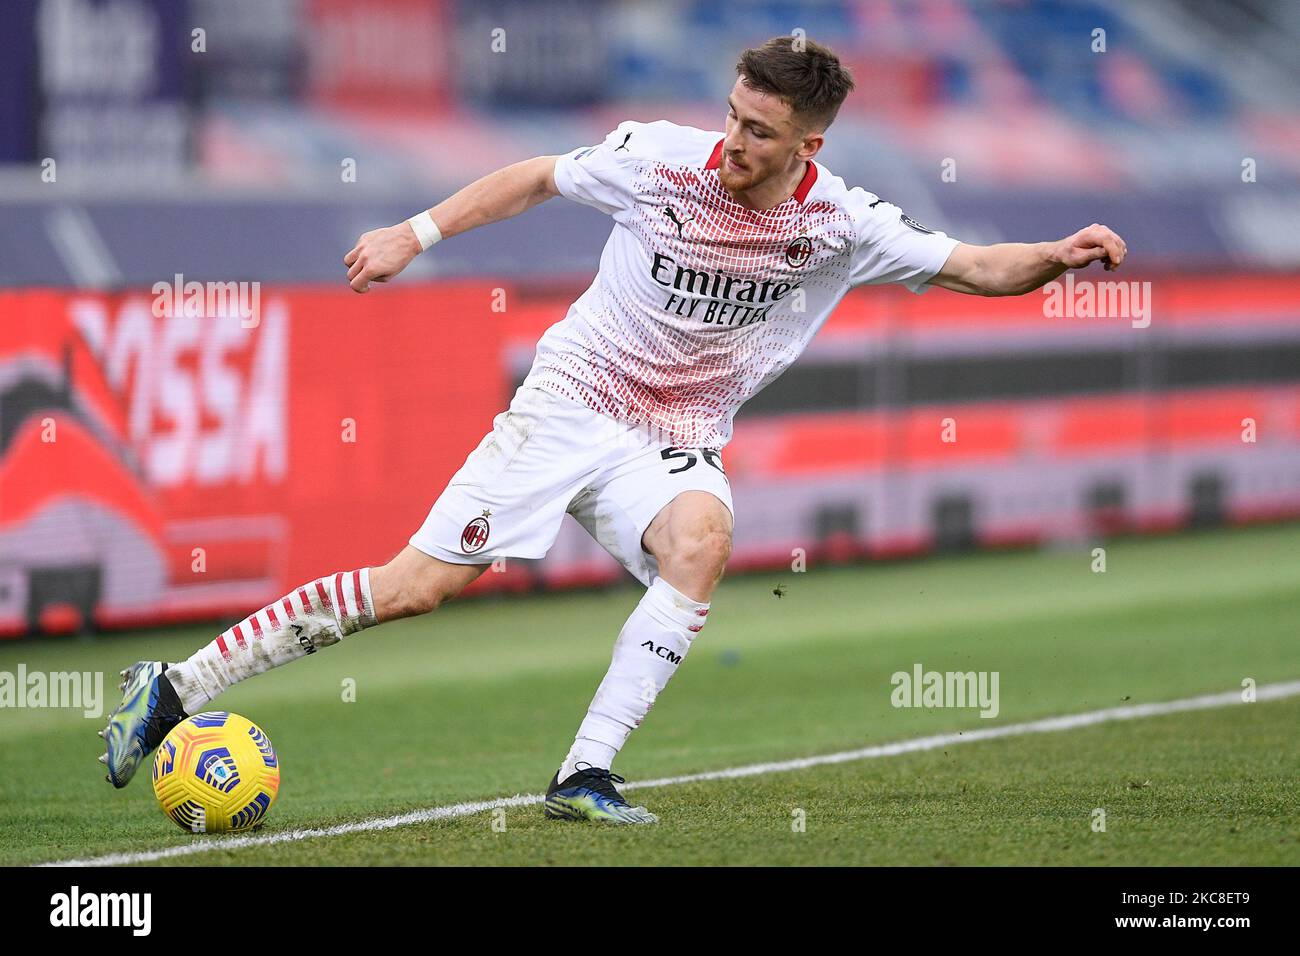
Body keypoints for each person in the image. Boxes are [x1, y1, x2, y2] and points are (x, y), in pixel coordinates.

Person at [102, 36, 1127, 824]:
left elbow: (975, 267)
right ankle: (177, 685)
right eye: (732, 117)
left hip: (670, 434)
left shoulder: (840, 224)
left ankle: (582, 769)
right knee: (412, 588)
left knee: (703, 538)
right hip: (570, 401)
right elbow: (538, 175)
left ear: (807, 147)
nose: (734, 142)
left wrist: (1058, 252)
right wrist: (414, 233)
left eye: (760, 133)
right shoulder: (658, 160)